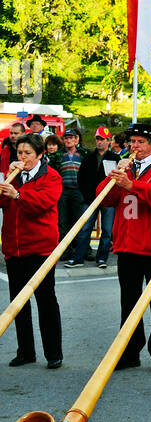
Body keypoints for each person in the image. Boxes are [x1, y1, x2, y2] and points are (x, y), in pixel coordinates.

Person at [96, 122, 151, 372]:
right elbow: (104, 198)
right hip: (128, 244)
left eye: (140, 142)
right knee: (129, 302)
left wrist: (132, 185)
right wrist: (114, 177)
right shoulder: (126, 168)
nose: (135, 147)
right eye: (132, 142)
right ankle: (130, 351)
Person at [0, 133, 63, 369]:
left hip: (41, 248)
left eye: (27, 153)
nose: (22, 157)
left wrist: (18, 194)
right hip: (14, 248)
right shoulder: (14, 177)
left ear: (40, 155)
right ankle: (25, 351)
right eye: (19, 153)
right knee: (19, 304)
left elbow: (42, 204)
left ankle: (53, 353)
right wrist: (8, 181)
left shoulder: (52, 177)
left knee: (46, 301)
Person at [66, 126, 116, 267]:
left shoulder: (115, 158)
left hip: (108, 200)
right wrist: (88, 196)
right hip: (89, 200)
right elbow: (81, 178)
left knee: (107, 230)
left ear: (108, 141)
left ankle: (102, 258)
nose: (99, 142)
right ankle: (78, 258)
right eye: (98, 139)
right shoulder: (88, 157)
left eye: (102, 139)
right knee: (84, 228)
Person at [57, 129, 86, 239]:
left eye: (71, 138)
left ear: (76, 139)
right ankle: (65, 251)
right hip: (63, 191)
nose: (68, 140)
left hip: (78, 191)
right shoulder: (58, 154)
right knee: (63, 220)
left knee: (79, 220)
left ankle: (81, 250)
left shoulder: (83, 153)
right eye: (66, 138)